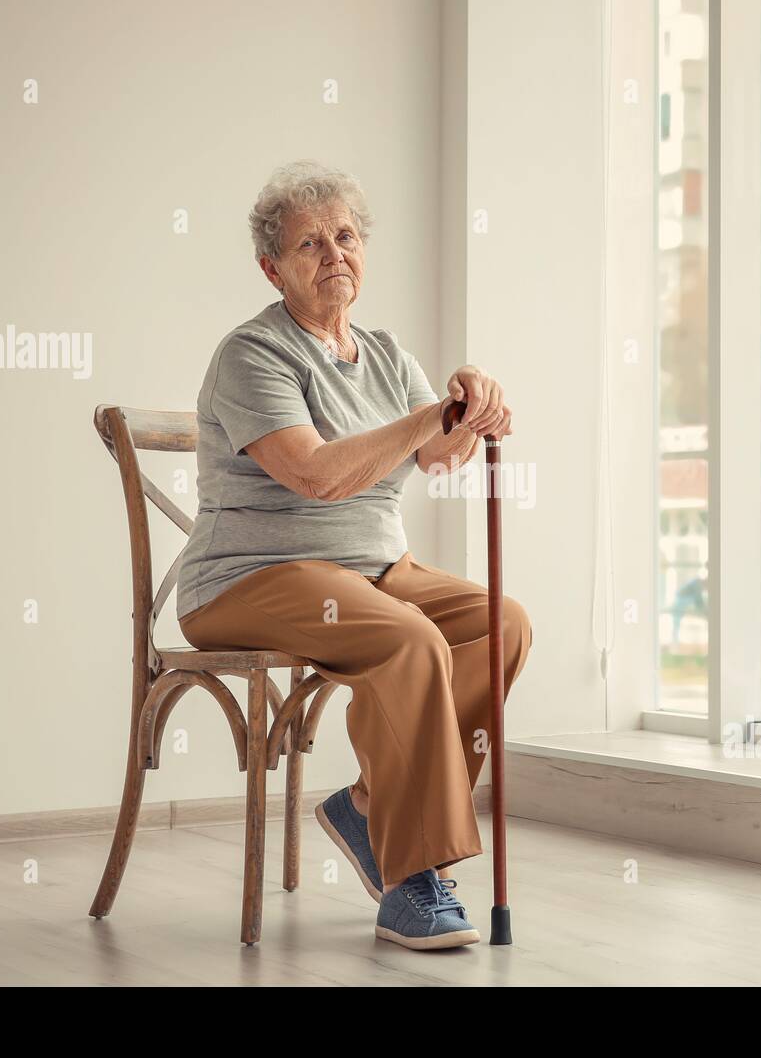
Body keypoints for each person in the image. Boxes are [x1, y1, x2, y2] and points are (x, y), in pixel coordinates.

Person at [176, 160, 532, 950]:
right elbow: (314, 476)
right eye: (310, 243)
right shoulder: (253, 355)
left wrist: (470, 405)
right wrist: (422, 417)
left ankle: (372, 806)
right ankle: (413, 875)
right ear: (273, 268)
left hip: (376, 570)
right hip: (251, 578)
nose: (334, 252)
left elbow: (439, 456)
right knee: (410, 638)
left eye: (345, 236)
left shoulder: (384, 352)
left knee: (501, 623)